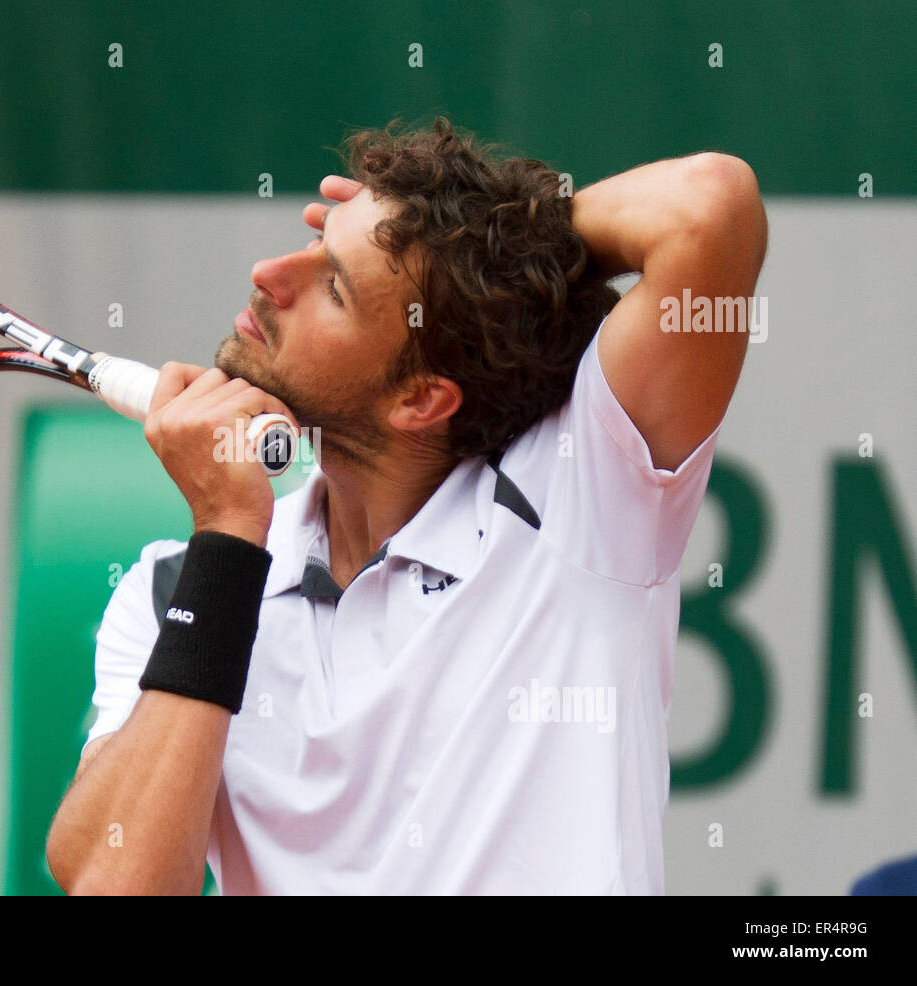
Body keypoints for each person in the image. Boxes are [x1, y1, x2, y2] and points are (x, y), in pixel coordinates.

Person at [45, 117, 769, 894]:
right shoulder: (174, 592)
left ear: (422, 398)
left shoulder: (580, 494)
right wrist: (227, 538)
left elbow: (710, 207)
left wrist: (488, 249)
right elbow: (112, 884)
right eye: (316, 247)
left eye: (332, 287)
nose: (268, 275)